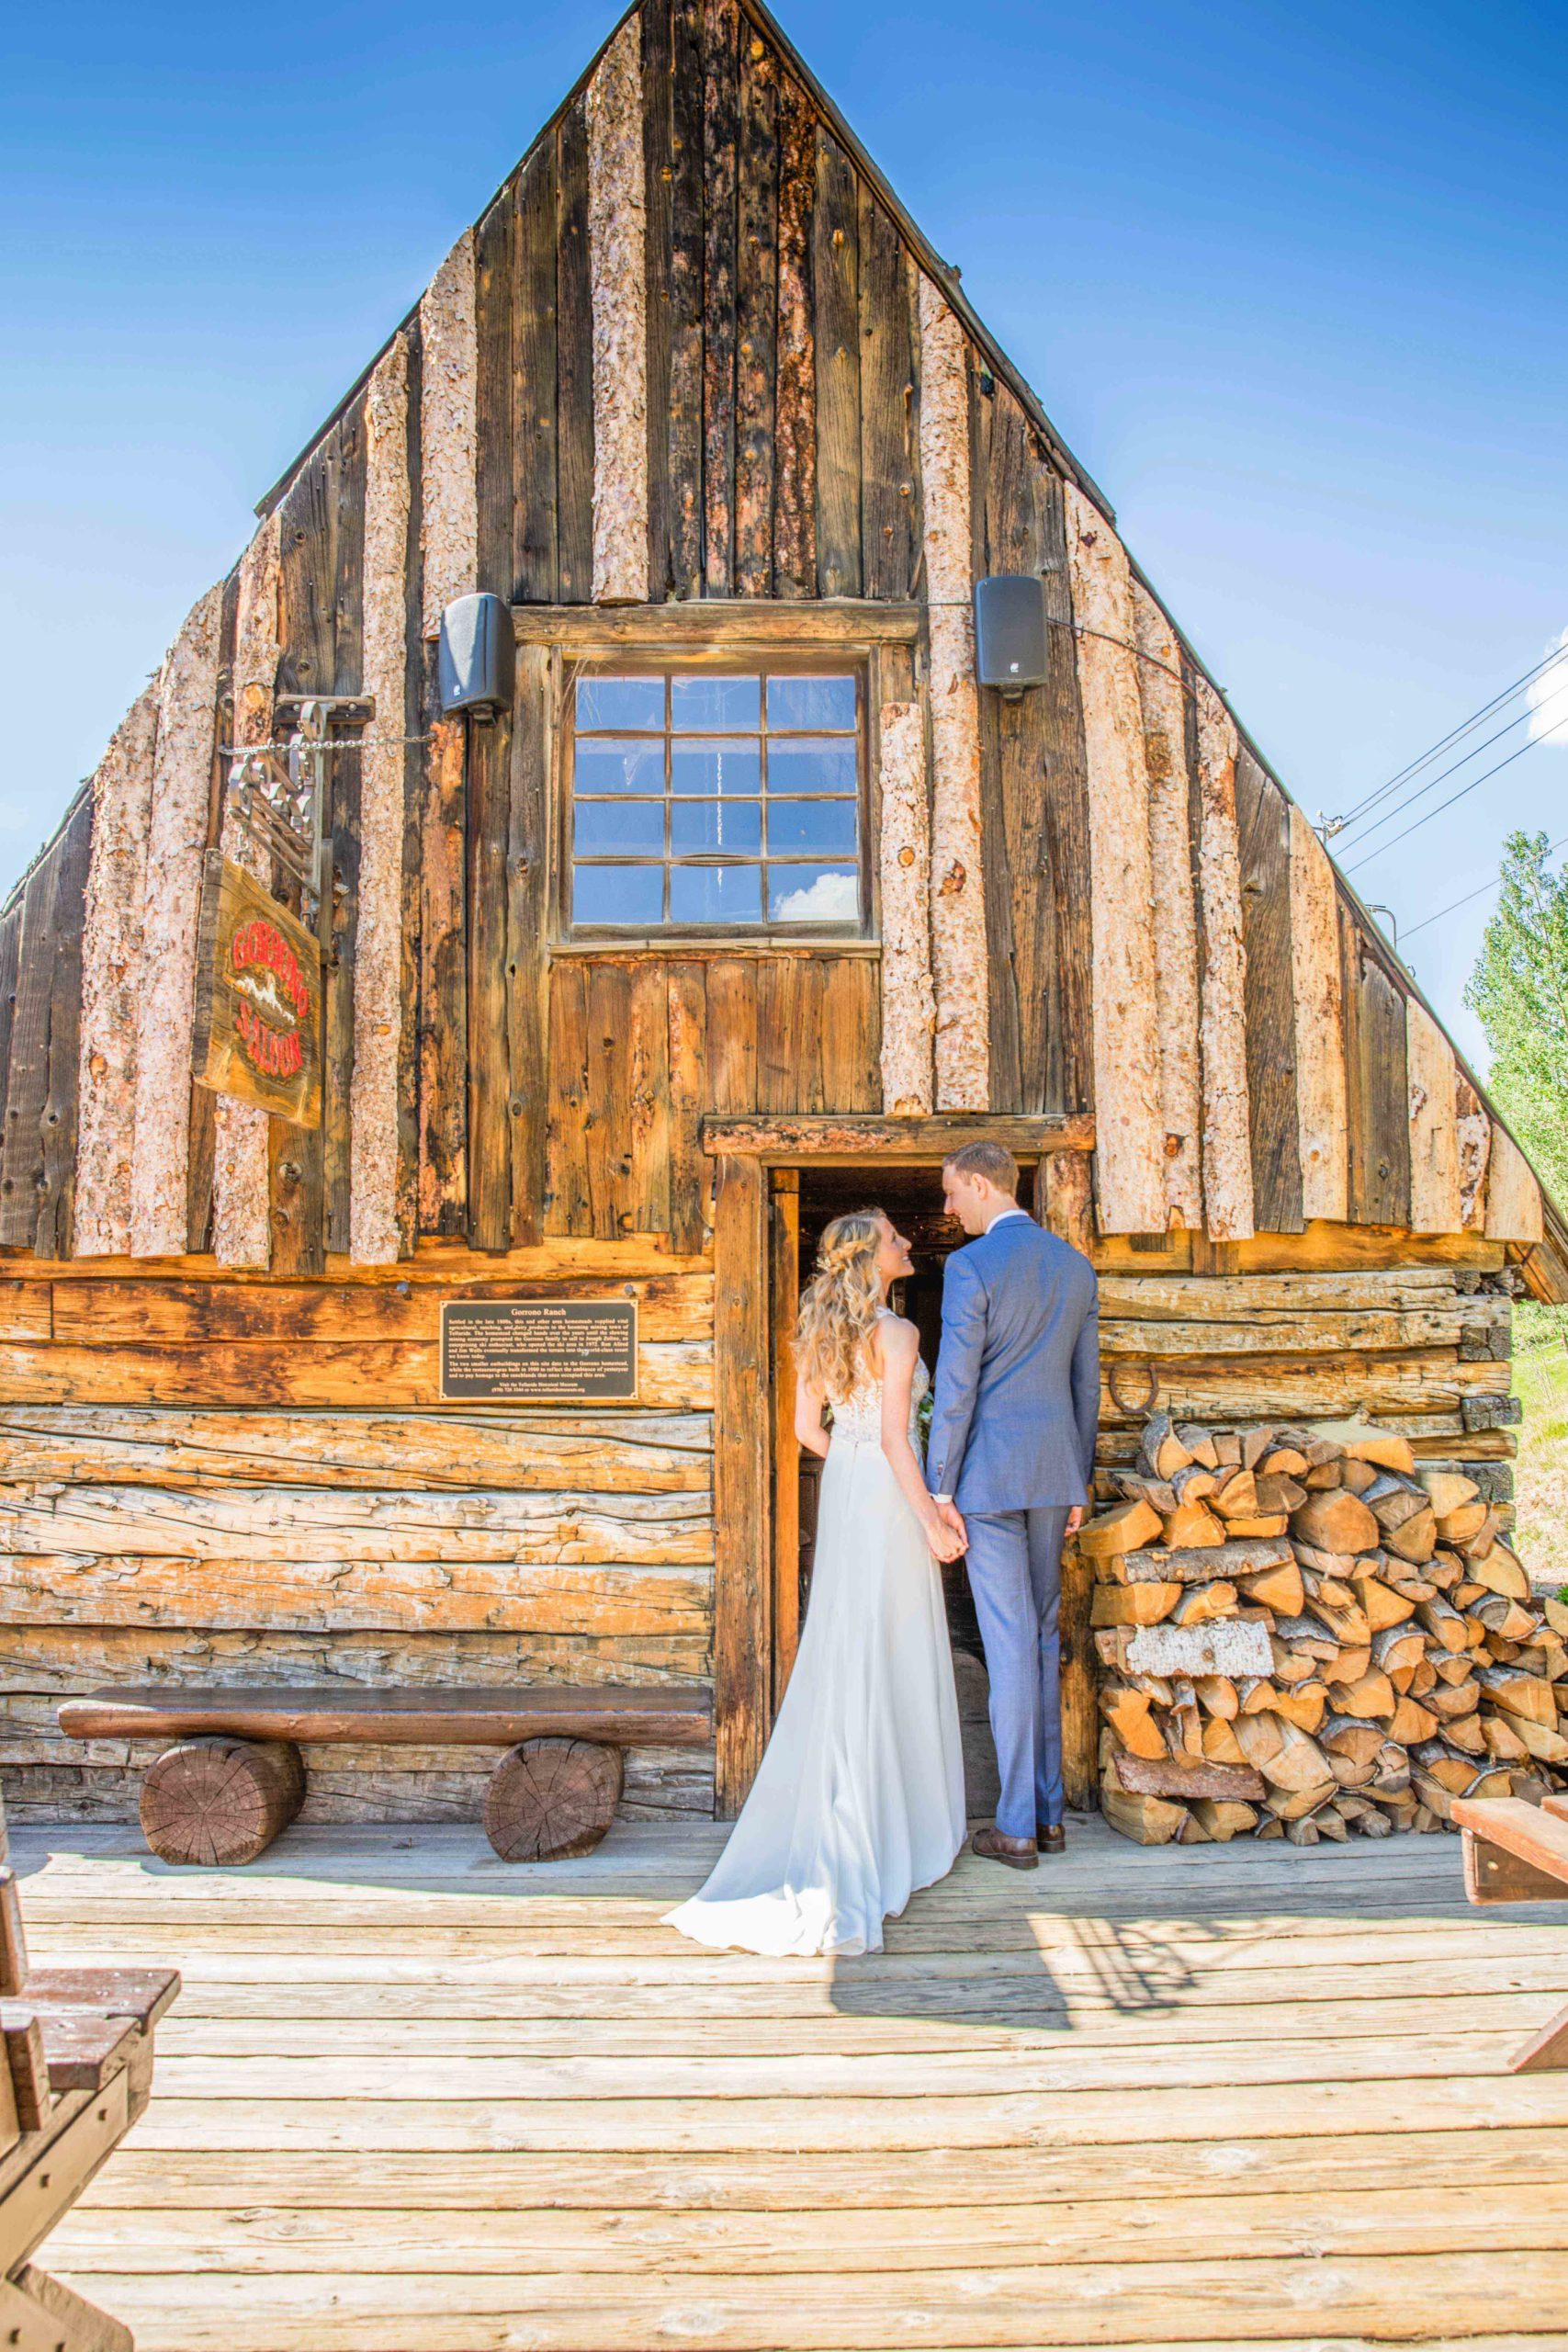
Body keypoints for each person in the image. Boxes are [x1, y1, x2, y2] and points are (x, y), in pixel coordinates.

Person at [665, 1208, 967, 1957]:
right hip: (890, 1493)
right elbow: (900, 1436)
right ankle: (901, 1825)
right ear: (871, 1257)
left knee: (846, 1637)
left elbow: (809, 1432)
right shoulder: (898, 1335)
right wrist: (930, 1516)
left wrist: (855, 1456)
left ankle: (857, 1807)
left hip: (849, 1488)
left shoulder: (822, 1332)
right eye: (897, 1238)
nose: (908, 1244)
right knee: (891, 1639)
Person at [926, 1139, 1100, 1869]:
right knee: (1038, 1638)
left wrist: (940, 1485)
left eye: (952, 1195)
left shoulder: (970, 1267)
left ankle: (1016, 1827)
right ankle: (1050, 1815)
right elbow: (1086, 1384)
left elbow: (957, 1386)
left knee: (1007, 1650)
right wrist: (1078, 1481)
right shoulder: (1074, 1265)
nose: (948, 1208)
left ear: (979, 1184)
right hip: (1054, 1473)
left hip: (989, 1480)